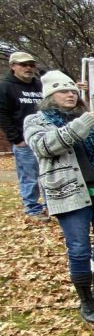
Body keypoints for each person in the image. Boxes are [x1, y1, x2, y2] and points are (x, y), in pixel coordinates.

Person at [23, 71, 94, 323]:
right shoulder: (37, 120)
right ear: (50, 96)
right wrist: (83, 123)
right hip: (69, 193)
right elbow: (44, 147)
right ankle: (85, 300)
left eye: (72, 90)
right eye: (63, 91)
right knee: (79, 249)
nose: (70, 94)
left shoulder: (89, 118)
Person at [1, 51, 46, 221]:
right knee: (29, 176)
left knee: (49, 175)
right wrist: (16, 139)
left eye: (31, 65)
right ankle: (33, 209)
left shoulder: (40, 86)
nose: (28, 68)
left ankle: (52, 206)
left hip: (45, 139)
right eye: (23, 64)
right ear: (13, 66)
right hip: (24, 142)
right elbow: (3, 115)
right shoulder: (5, 87)